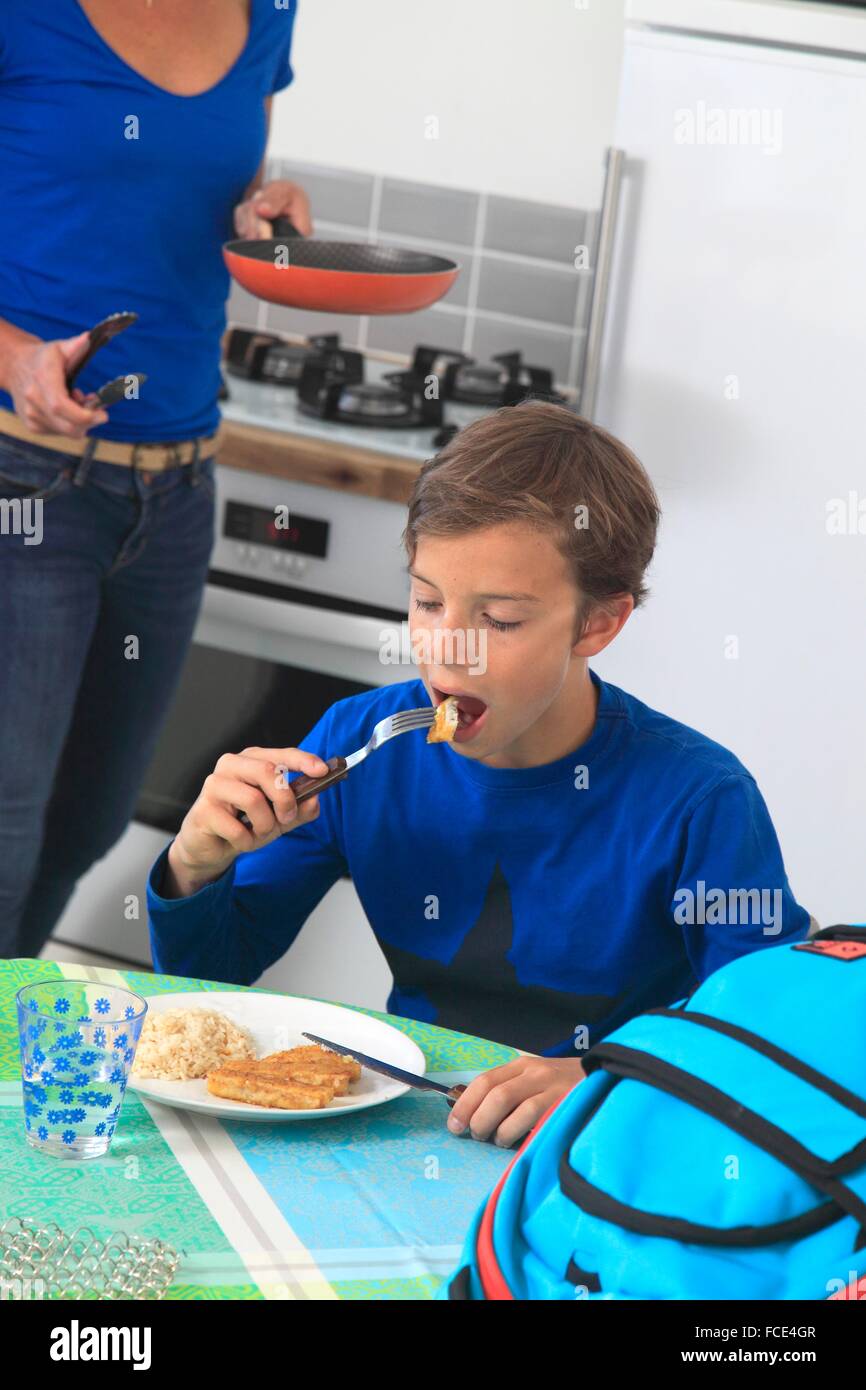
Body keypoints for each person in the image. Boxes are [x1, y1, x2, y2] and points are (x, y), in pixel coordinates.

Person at [146, 402, 811, 1146]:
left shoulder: (701, 800)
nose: (447, 651)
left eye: (499, 620)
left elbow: (769, 1030)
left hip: (612, 1148)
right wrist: (193, 867)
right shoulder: (360, 746)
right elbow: (212, 979)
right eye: (428, 602)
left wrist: (607, 1076)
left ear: (598, 624)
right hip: (417, 1127)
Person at [0, 0, 310, 958]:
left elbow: (229, 206)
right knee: (4, 833)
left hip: (176, 490)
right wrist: (14, 359)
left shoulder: (266, 12)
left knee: (89, 821)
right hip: (24, 479)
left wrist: (270, 227)